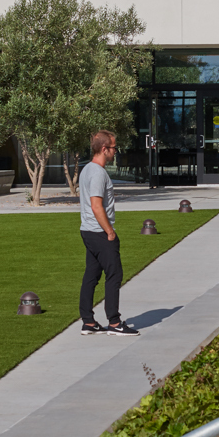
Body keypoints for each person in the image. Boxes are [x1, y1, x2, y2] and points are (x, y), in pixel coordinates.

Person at [78, 129, 132, 334]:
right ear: (104, 149)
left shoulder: (86, 169)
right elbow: (96, 206)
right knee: (114, 274)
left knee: (91, 275)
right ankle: (115, 323)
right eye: (113, 148)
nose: (115, 151)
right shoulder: (98, 173)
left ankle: (88, 322)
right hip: (99, 232)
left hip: (88, 231)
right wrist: (109, 231)